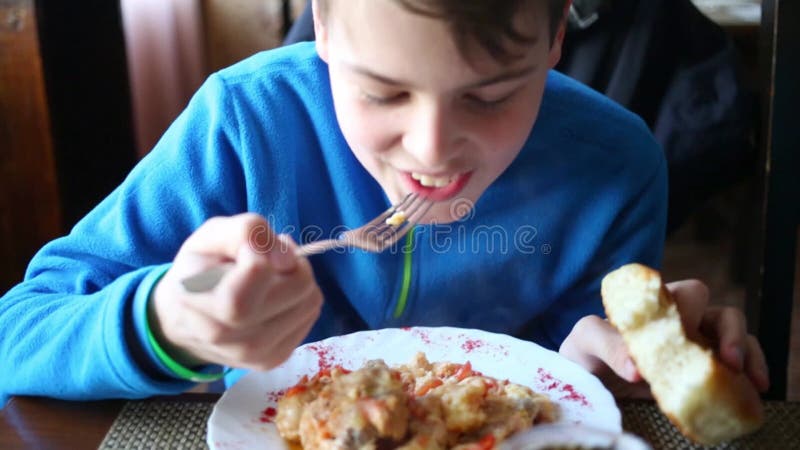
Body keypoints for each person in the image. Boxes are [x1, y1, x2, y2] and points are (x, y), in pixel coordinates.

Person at [0, 0, 767, 409]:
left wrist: (619, 362)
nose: (431, 152)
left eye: (491, 96)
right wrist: (166, 321)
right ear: (323, 24)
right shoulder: (244, 125)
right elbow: (18, 331)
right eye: (382, 91)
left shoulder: (617, 169)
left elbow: (571, 367)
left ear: (556, 31)